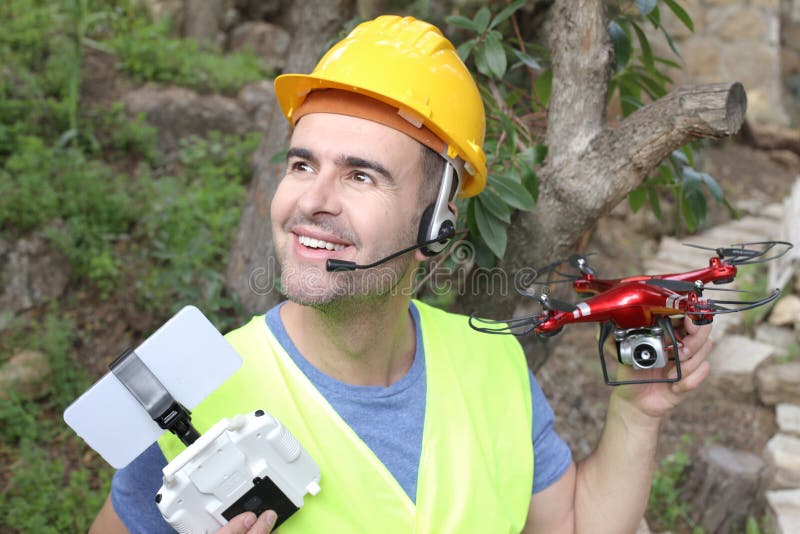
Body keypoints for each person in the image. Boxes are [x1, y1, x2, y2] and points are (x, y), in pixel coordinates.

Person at [90, 15, 712, 534]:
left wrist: (636, 413)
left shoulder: (490, 365)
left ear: (436, 224)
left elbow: (572, 526)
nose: (313, 200)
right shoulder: (185, 396)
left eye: (361, 175)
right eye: (303, 165)